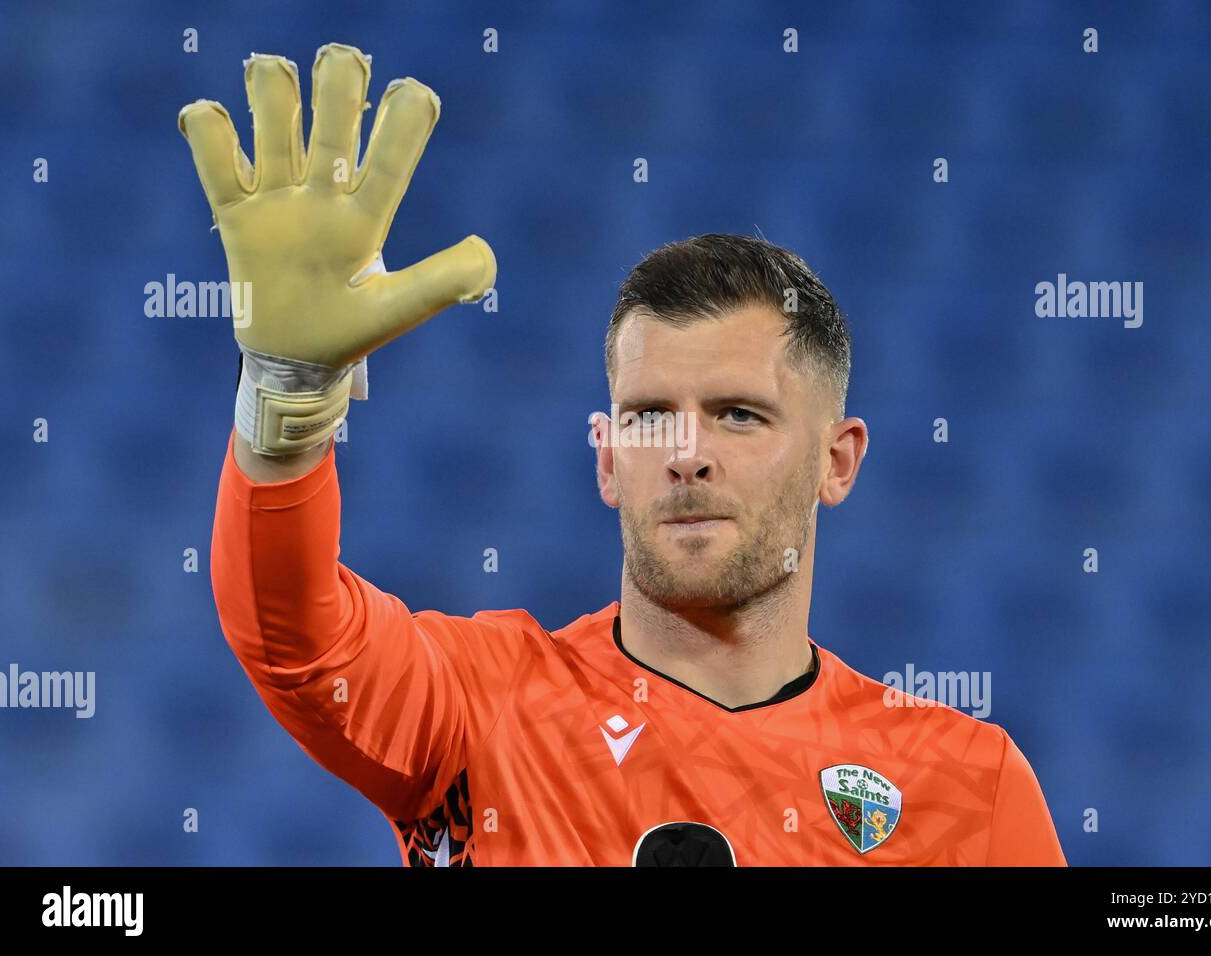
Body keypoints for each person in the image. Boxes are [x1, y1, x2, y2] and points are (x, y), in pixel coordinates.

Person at [182, 42, 1066, 866]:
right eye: (648, 415)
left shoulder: (967, 788)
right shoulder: (482, 709)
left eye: (738, 415)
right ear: (605, 458)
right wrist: (288, 399)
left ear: (839, 461)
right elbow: (296, 639)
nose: (686, 453)